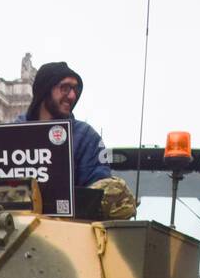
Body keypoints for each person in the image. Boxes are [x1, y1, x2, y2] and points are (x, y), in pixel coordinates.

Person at [14, 60, 133, 219]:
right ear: (45, 90)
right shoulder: (11, 133)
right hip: (10, 228)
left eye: (75, 89)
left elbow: (98, 194)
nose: (72, 95)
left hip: (68, 233)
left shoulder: (86, 137)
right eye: (65, 88)